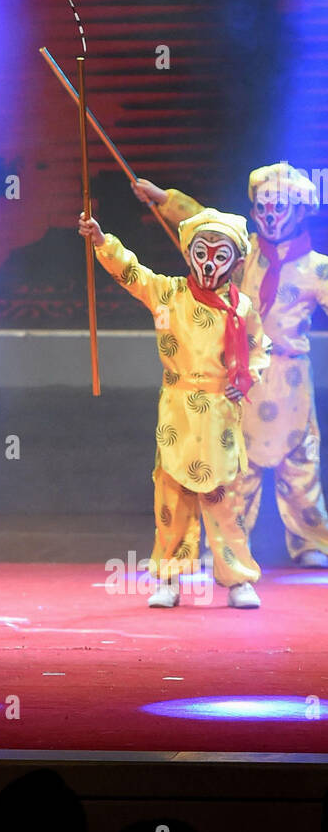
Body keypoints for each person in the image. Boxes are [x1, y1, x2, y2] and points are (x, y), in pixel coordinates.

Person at [134, 164, 328, 567]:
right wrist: (164, 200)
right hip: (241, 373)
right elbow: (204, 220)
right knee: (239, 464)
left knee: (300, 459)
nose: (270, 217)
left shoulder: (318, 269)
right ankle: (230, 549)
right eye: (263, 208)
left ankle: (310, 539)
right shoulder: (246, 252)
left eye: (280, 208)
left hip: (290, 376)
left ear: (301, 210)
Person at [79, 205, 270, 608]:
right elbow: (133, 274)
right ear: (189, 254)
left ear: (235, 261)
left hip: (220, 411)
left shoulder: (241, 309)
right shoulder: (168, 294)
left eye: (220, 255)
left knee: (224, 498)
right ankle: (169, 577)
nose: (209, 262)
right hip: (178, 410)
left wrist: (245, 378)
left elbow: (258, 350)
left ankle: (238, 580)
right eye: (202, 252)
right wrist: (101, 241)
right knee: (172, 497)